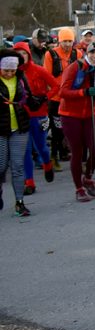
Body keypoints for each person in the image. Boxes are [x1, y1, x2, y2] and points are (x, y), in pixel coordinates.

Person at [58, 40, 95, 202]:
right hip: (70, 115)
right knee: (77, 152)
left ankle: (88, 177)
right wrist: (83, 93)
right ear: (87, 53)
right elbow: (63, 91)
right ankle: (79, 188)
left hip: (89, 115)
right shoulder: (75, 67)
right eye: (92, 52)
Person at [12, 41, 58, 194]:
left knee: (41, 147)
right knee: (25, 149)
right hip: (20, 115)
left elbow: (56, 86)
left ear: (28, 55)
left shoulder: (38, 70)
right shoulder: (10, 73)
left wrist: (45, 98)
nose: (20, 57)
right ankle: (29, 182)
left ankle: (47, 163)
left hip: (39, 114)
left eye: (23, 53)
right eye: (17, 54)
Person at [0, 48, 34, 216]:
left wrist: (39, 102)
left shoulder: (20, 78)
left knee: (17, 167)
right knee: (1, 166)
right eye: (6, 70)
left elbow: (29, 96)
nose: (9, 73)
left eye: (12, 70)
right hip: (1, 128)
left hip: (19, 127)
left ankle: (19, 203)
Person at [44, 27, 82, 168]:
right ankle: (54, 155)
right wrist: (61, 89)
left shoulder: (77, 53)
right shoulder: (51, 54)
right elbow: (48, 76)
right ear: (59, 41)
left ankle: (74, 155)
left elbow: (80, 73)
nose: (67, 44)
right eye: (64, 41)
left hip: (71, 97)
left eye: (70, 41)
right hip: (56, 98)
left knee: (72, 129)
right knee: (56, 129)